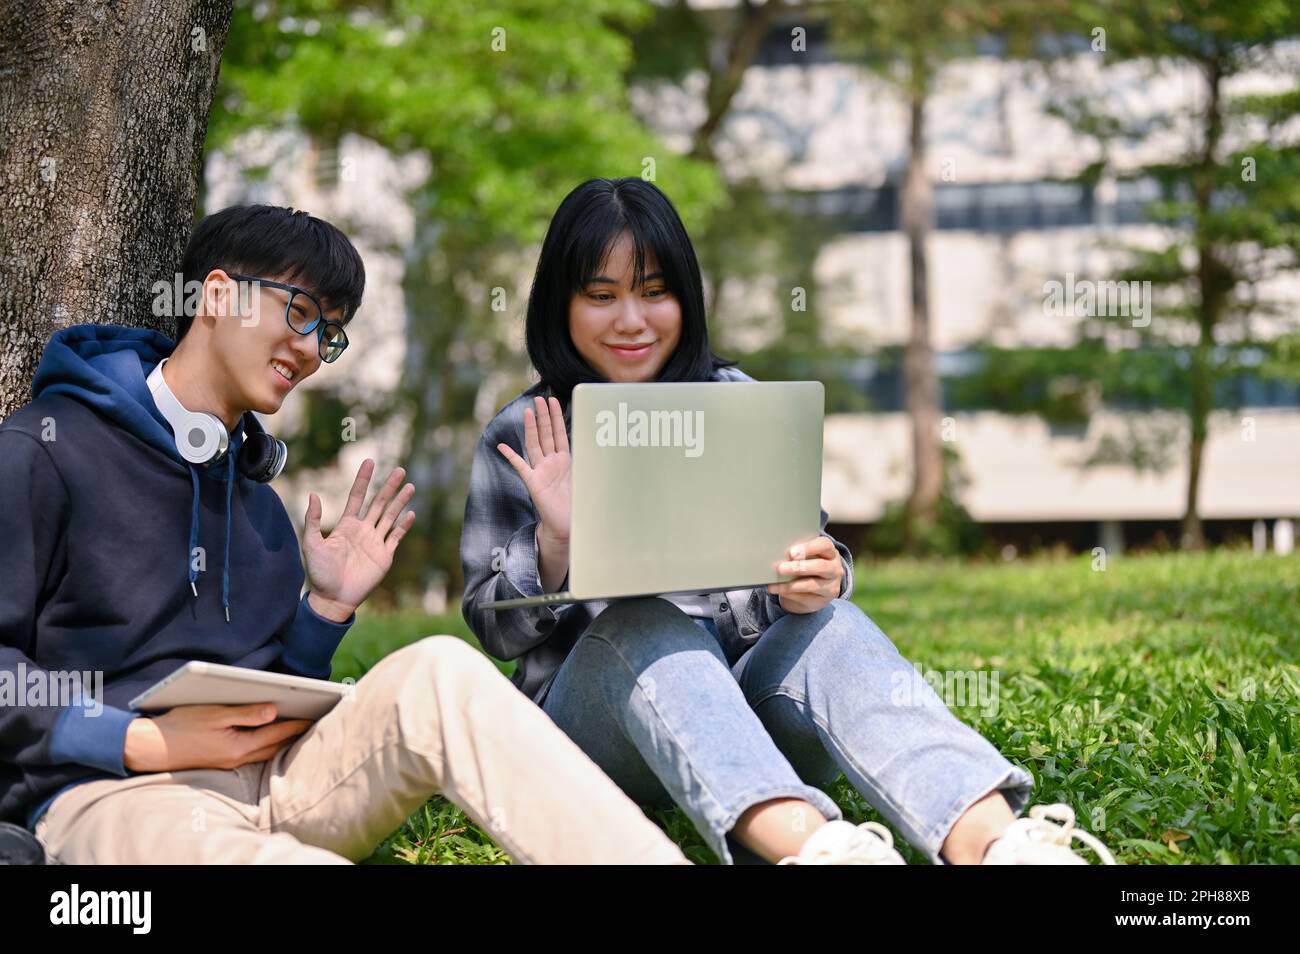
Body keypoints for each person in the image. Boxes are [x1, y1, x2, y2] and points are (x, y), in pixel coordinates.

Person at [0, 204, 687, 865]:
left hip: (278, 783)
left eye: (327, 333)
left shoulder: (264, 514)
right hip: (113, 796)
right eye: (299, 313)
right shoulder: (48, 449)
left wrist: (323, 611)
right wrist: (136, 740)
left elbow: (269, 697)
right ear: (216, 295)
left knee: (439, 670)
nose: (309, 351)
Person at [460, 178, 1116, 866]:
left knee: (829, 626)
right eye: (601, 296)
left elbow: (808, 544)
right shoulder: (525, 432)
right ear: (561, 304)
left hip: (742, 715)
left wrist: (817, 577)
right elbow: (492, 628)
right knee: (644, 621)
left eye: (655, 292)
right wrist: (555, 543)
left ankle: (997, 842)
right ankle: (818, 850)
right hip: (594, 737)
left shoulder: (738, 403)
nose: (632, 319)